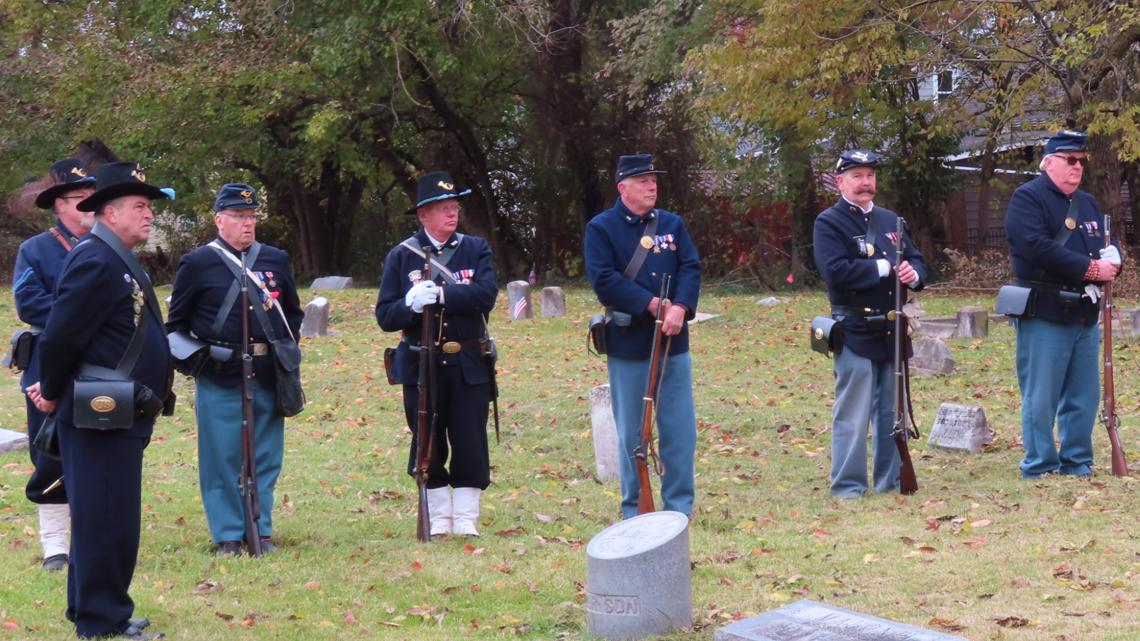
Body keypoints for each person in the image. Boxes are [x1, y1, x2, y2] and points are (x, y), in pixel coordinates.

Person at [27, 161, 172, 640]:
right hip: (99, 410)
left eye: (149, 207)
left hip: (116, 410)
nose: (149, 215)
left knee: (104, 517)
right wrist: (49, 392)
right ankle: (101, 622)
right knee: (107, 521)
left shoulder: (111, 254)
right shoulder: (96, 258)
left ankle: (93, 609)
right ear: (110, 213)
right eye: (140, 206)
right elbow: (61, 336)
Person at [166, 183, 303, 555]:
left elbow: (292, 313)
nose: (248, 223)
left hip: (268, 370)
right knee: (223, 456)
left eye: (252, 216)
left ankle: (261, 527)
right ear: (219, 220)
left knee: (265, 455)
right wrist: (202, 360)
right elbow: (174, 327)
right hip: (220, 370)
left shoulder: (274, 259)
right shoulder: (197, 263)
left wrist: (283, 352)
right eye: (240, 217)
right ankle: (228, 533)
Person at [376, 171, 498, 536]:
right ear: (423, 215)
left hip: (468, 362)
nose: (451, 214)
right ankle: (439, 516)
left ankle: (465, 519)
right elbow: (385, 314)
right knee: (427, 436)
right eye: (443, 208)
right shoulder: (402, 255)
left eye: (454, 207)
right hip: (420, 363)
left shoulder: (476, 249)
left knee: (470, 438)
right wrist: (410, 305)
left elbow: (486, 294)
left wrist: (444, 295)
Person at [584, 153, 701, 518]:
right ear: (623, 188)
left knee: (680, 430)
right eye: (642, 180)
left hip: (673, 340)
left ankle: (679, 506)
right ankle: (636, 508)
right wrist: (650, 304)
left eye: (653, 179)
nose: (652, 185)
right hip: (630, 343)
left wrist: (680, 306)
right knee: (633, 434)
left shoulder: (672, 224)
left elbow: (691, 267)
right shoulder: (602, 228)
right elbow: (604, 280)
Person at [1005, 129, 1121, 478]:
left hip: (1085, 311)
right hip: (1047, 309)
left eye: (1082, 161)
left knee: (1083, 395)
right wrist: (1089, 268)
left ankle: (1077, 460)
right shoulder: (1028, 198)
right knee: (1041, 396)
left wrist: (1117, 258)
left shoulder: (1087, 202)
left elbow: (1104, 241)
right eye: (1070, 160)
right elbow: (1035, 246)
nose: (1077, 167)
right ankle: (1039, 463)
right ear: (1049, 162)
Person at [813, 149, 927, 498]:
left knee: (891, 411)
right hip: (854, 327)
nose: (866, 183)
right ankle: (848, 486)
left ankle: (890, 481)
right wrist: (883, 268)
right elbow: (834, 271)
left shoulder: (891, 220)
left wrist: (915, 273)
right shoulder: (829, 222)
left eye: (870, 176)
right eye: (858, 176)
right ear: (840, 181)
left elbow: (918, 259)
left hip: (892, 328)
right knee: (853, 411)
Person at [10, 158, 96, 571]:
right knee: (50, 457)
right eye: (80, 199)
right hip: (48, 363)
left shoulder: (107, 247)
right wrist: (81, 312)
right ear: (59, 205)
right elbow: (29, 303)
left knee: (99, 451)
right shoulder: (35, 250)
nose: (89, 206)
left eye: (92, 198)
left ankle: (94, 539)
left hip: (100, 364)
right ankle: (56, 548)